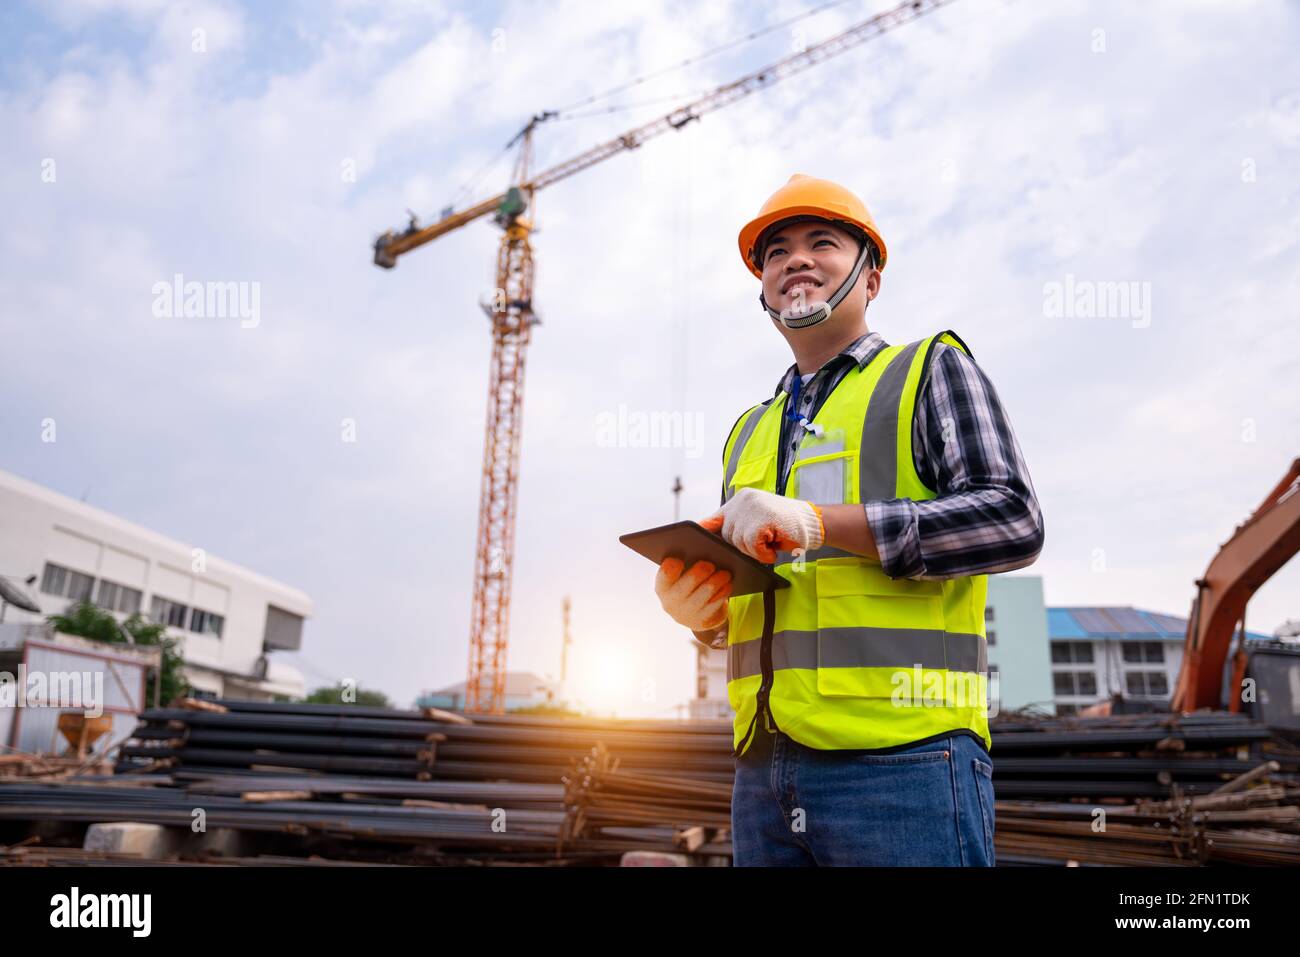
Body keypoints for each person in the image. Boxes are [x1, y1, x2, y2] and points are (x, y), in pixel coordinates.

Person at [653, 174, 1045, 866]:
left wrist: (818, 521)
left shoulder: (928, 371)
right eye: (775, 253)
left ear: (871, 278)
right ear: (764, 289)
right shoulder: (749, 432)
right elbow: (761, 605)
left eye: (822, 242)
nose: (795, 260)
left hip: (905, 762)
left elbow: (1012, 518)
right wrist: (701, 613)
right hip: (762, 772)